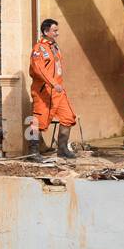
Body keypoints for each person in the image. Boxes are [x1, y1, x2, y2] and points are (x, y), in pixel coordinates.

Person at [28, 19, 77, 158]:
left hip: (58, 91)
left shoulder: (54, 46)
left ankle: (62, 149)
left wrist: (57, 85)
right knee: (38, 122)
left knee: (68, 117)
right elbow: (39, 69)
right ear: (45, 31)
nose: (57, 33)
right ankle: (33, 152)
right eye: (54, 31)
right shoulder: (38, 49)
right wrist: (53, 83)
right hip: (44, 92)